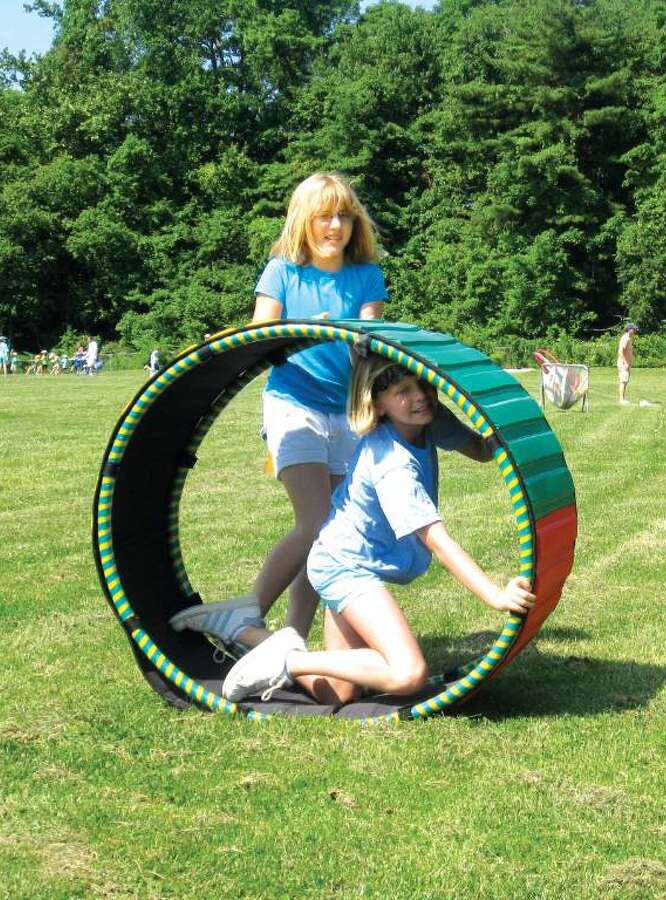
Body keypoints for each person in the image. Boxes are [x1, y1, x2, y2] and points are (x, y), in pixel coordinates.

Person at [220, 354, 535, 704]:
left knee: (338, 693)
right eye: (403, 391)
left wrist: (512, 432)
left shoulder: (429, 418)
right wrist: (495, 596)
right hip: (342, 565)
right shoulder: (393, 465)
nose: (420, 396)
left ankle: (258, 639)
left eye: (423, 385)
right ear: (378, 404)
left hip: (353, 559)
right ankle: (289, 659)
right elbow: (438, 541)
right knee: (406, 673)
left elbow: (479, 449)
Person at [170, 172, 387, 653]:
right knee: (316, 523)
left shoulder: (366, 275)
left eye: (344, 216)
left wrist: (365, 347)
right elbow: (257, 338)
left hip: (346, 413)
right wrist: (304, 328)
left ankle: (291, 636)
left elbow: (371, 335)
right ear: (304, 221)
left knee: (330, 533)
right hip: (294, 403)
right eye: (324, 216)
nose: (335, 226)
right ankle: (247, 612)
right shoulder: (283, 271)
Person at [617, 323, 636, 404]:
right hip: (623, 363)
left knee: (625, 381)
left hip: (626, 363)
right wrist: (624, 362)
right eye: (634, 329)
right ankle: (621, 400)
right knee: (623, 381)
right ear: (630, 329)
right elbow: (620, 351)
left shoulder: (627, 338)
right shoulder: (626, 338)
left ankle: (623, 399)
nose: (635, 331)